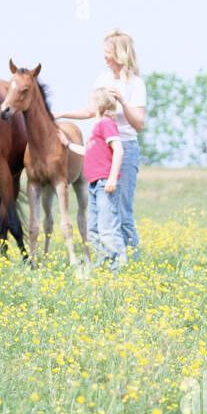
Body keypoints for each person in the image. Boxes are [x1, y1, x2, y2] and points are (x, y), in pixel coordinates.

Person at [56, 29, 146, 256]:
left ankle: (131, 263)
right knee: (98, 214)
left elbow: (138, 124)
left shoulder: (136, 84)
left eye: (108, 52)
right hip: (101, 149)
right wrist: (62, 114)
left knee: (122, 212)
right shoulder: (102, 79)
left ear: (120, 53)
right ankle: (108, 262)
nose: (104, 57)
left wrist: (123, 101)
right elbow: (91, 109)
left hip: (124, 147)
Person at [64, 88, 125, 268]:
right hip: (94, 185)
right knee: (92, 230)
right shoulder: (96, 128)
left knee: (108, 230)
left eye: (90, 103)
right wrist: (67, 144)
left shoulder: (106, 123)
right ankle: (104, 265)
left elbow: (119, 150)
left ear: (99, 106)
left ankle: (117, 269)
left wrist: (113, 177)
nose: (87, 107)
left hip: (105, 183)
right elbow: (87, 152)